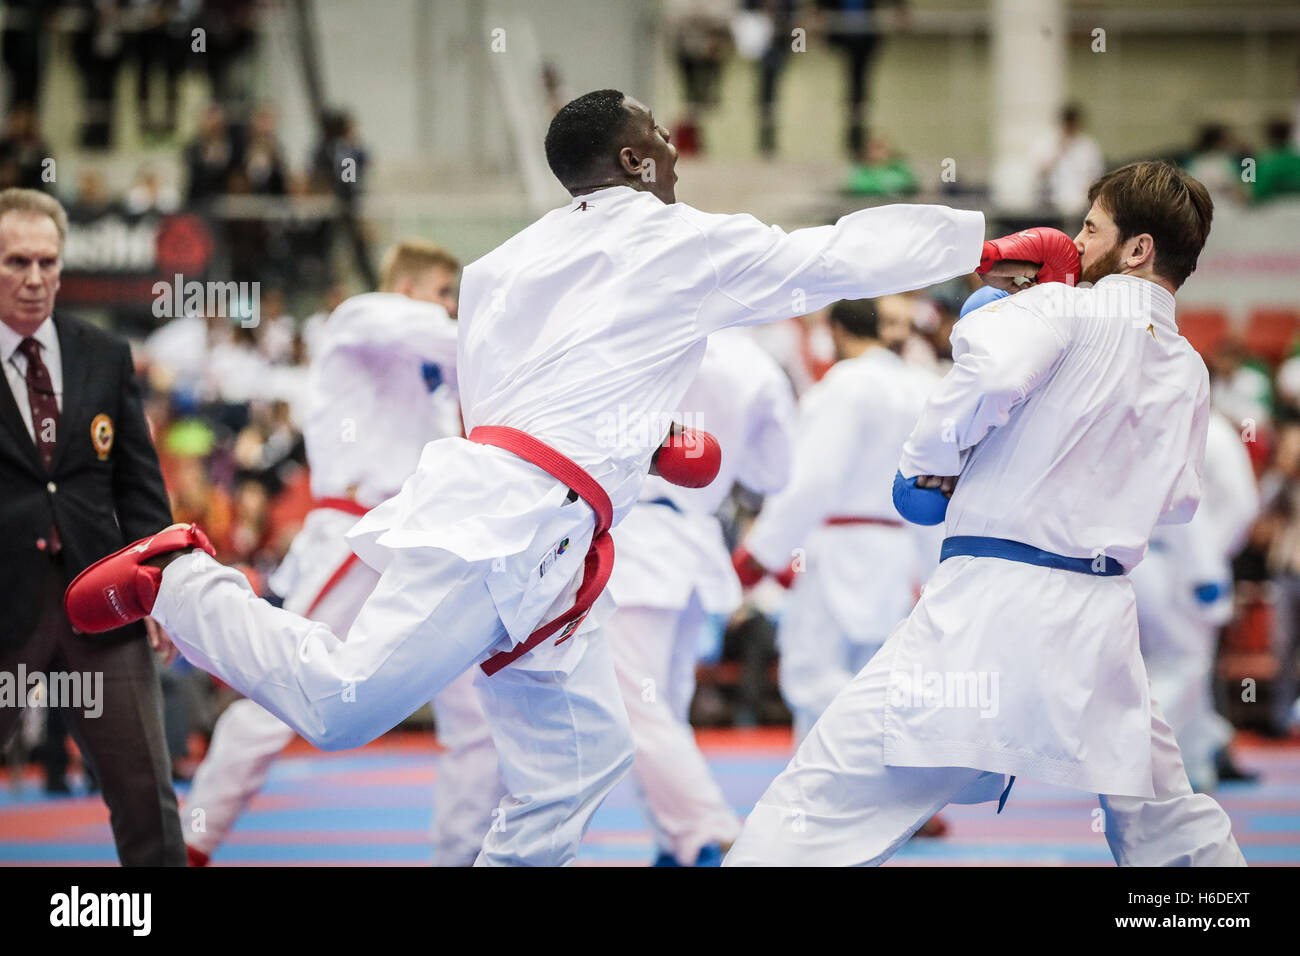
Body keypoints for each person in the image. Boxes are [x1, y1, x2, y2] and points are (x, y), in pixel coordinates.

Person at [66, 89, 1069, 866]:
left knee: (582, 758)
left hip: (548, 517)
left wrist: (631, 449)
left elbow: (501, 396)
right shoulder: (672, 236)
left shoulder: (503, 263)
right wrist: (978, 244)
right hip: (508, 519)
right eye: (662, 141)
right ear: (634, 158)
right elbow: (830, 255)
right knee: (341, 705)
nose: (677, 154)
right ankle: (183, 579)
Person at [725, 161, 1247, 867]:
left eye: (1091, 229)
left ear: (1138, 248)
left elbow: (992, 375)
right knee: (1164, 820)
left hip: (992, 603)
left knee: (816, 804)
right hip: (1099, 617)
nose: (1077, 243)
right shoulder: (1186, 367)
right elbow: (1178, 504)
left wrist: (926, 459)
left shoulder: (1059, 308)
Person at [181, 239, 468, 866]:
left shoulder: (439, 376)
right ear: (411, 288)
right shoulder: (363, 318)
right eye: (445, 292)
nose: (452, 307)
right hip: (356, 530)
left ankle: (463, 853)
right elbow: (450, 333)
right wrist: (499, 310)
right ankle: (189, 841)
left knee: (474, 709)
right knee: (283, 689)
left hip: (426, 540)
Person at [0, 187, 184, 864]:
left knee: (147, 801)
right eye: (16, 261)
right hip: (4, 600)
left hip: (101, 601)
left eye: (47, 261)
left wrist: (160, 584)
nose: (35, 278)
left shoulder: (102, 354)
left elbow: (138, 484)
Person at [605, 327, 796, 866]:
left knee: (636, 711)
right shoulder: (757, 364)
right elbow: (774, 473)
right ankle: (679, 841)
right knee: (659, 709)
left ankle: (708, 831)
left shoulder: (641, 333)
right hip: (693, 539)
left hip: (635, 537)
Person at [733, 298, 937, 746]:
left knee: (810, 673)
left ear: (837, 331)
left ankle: (833, 787)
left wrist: (762, 553)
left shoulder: (845, 385)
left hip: (839, 547)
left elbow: (813, 480)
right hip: (902, 545)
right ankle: (888, 788)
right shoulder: (924, 386)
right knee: (878, 677)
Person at [1132, 409, 1259, 792]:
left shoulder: (1146, 422)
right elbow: (1240, 506)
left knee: (1168, 667)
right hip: (1181, 565)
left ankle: (1197, 759)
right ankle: (1144, 758)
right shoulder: (1204, 429)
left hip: (1136, 562)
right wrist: (1208, 567)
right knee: (1184, 664)